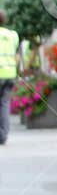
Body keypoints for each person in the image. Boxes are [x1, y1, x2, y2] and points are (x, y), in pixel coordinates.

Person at [0, 8, 22, 144]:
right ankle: (3, 135)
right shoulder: (12, 35)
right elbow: (17, 57)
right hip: (9, 74)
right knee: (4, 104)